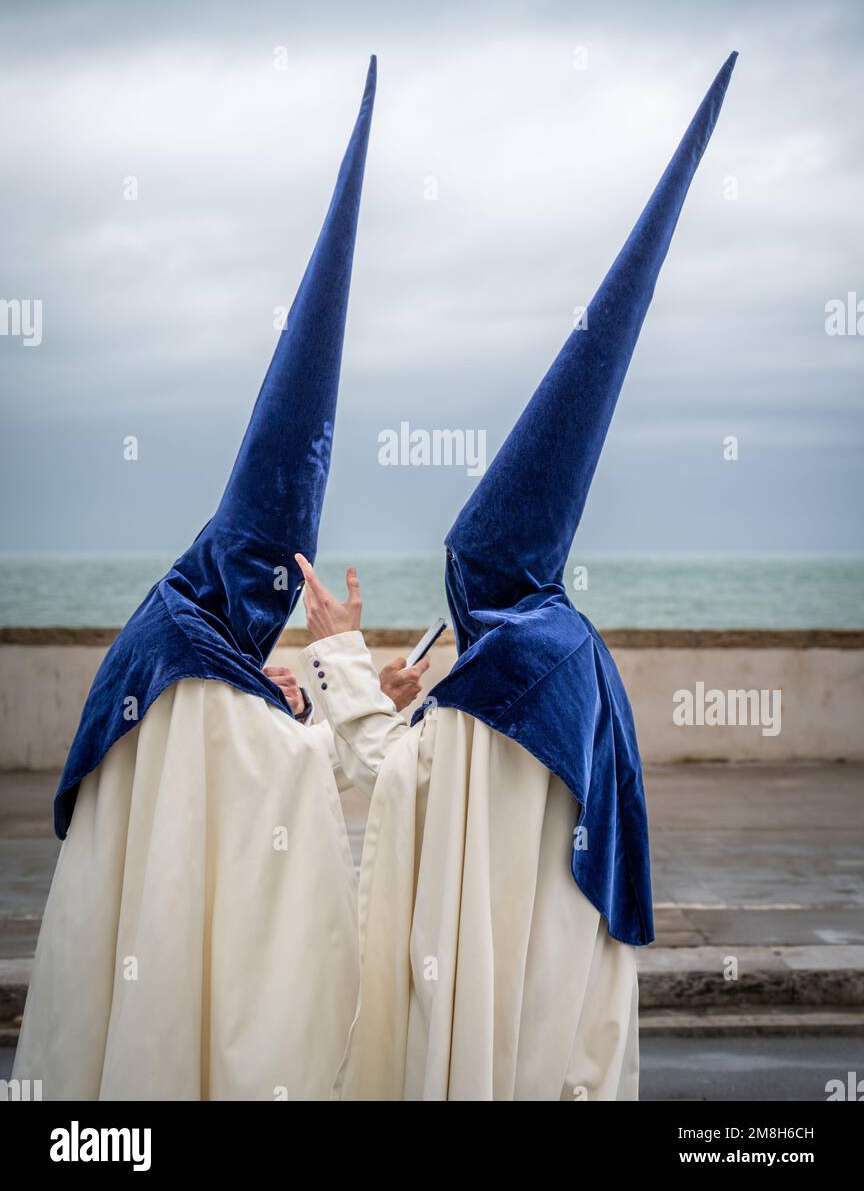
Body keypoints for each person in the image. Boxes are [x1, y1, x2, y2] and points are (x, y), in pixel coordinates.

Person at [295, 54, 738, 1101]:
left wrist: (335, 652)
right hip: (565, 1004)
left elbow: (397, 783)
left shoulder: (509, 674)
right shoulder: (573, 653)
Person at [11, 59, 390, 1102]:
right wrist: (343, 670)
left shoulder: (161, 627)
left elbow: (244, 734)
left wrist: (319, 687)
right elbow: (293, 780)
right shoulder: (220, 687)